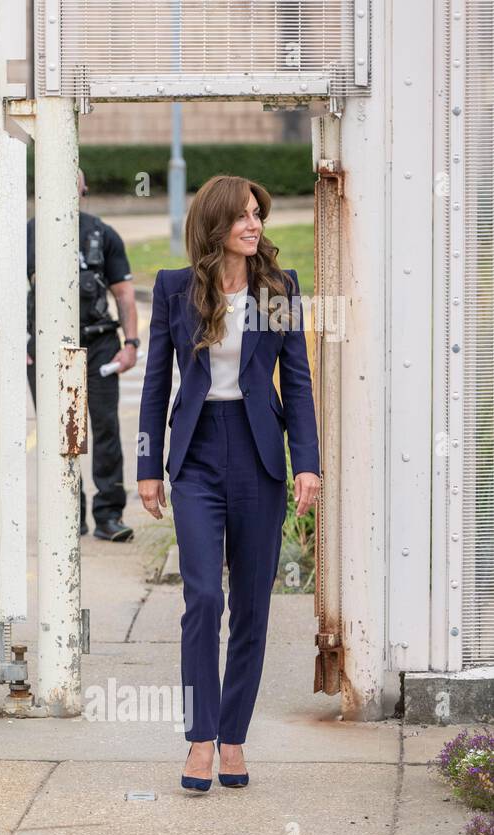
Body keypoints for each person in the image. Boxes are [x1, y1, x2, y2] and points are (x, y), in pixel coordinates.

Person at [136, 174, 320, 792]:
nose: (255, 225)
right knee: (203, 601)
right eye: (243, 216)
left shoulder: (277, 288)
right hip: (195, 456)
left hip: (258, 452)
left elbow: (295, 382)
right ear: (216, 223)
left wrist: (308, 463)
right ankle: (199, 739)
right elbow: (156, 381)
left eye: (258, 215)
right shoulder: (174, 289)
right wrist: (146, 465)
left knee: (250, 606)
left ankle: (234, 738)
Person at [27, 168, 140, 541]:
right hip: (48, 348)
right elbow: (6, 292)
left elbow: (123, 293)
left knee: (105, 428)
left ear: (83, 190)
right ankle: (67, 515)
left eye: (72, 186)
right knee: (62, 436)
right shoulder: (28, 235)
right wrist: (18, 347)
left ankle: (109, 515)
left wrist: (131, 344)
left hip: (98, 346)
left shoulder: (102, 234)